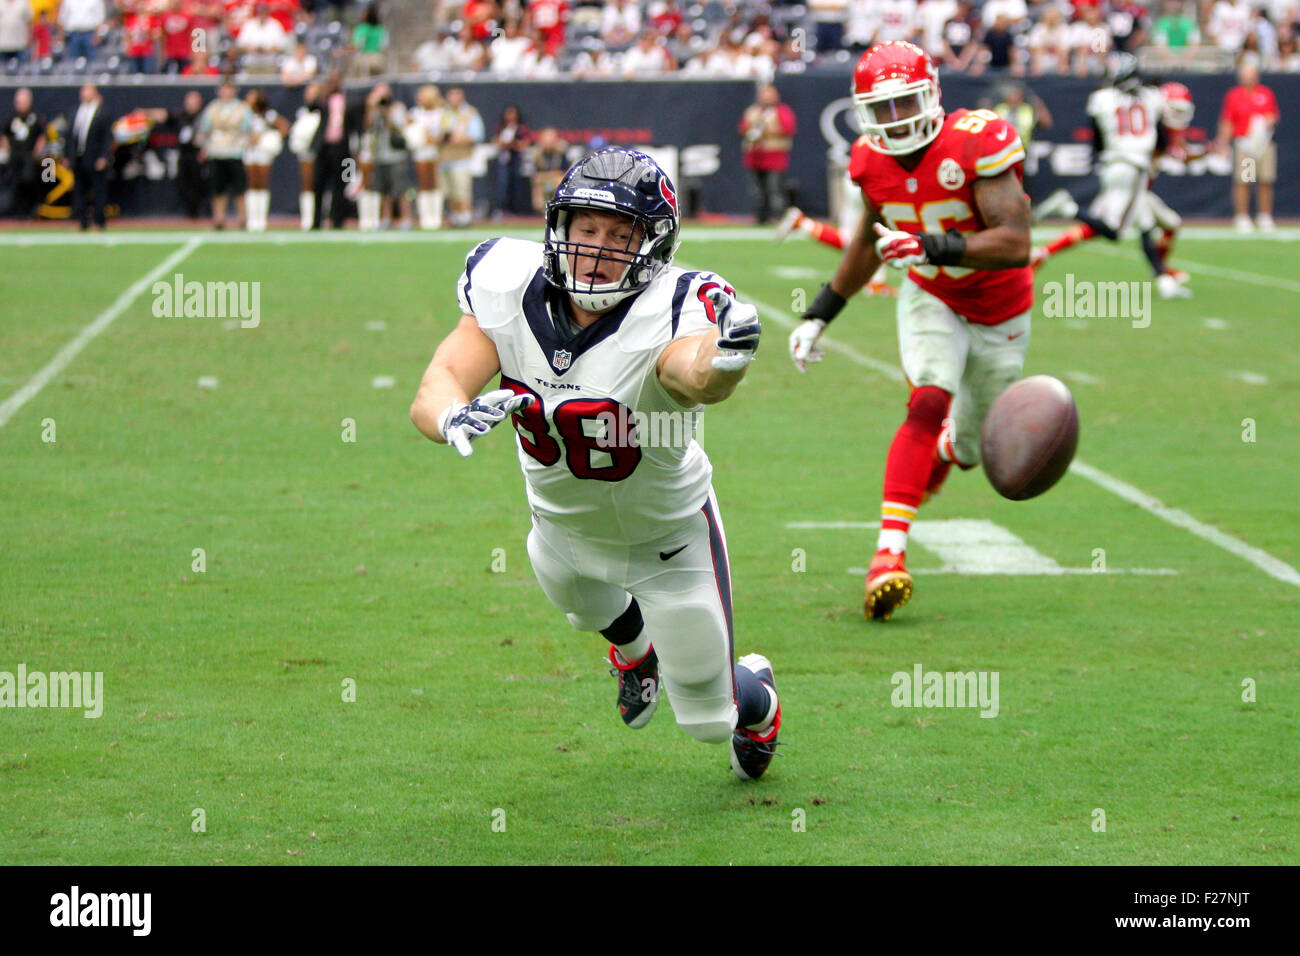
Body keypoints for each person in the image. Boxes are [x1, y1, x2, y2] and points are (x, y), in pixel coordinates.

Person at [408, 147, 782, 779]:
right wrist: (449, 415)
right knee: (583, 606)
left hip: (668, 540)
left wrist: (726, 359)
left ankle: (757, 697)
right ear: (560, 228)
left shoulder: (671, 306)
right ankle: (636, 656)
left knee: (708, 721)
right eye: (587, 229)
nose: (599, 248)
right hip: (559, 530)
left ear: (652, 245)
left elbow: (692, 373)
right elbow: (442, 377)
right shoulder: (507, 285)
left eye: (620, 234)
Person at [787, 41, 1035, 621]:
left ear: (932, 97)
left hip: (1001, 308)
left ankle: (943, 453)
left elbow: (1016, 244)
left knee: (971, 448)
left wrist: (931, 244)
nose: (895, 120)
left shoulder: (977, 139)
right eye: (883, 108)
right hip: (931, 294)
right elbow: (868, 243)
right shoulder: (869, 162)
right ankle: (888, 558)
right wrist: (821, 311)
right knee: (926, 400)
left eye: (905, 104)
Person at [1031, 54, 1191, 299]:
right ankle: (1068, 208)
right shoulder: (1151, 97)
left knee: (1145, 222)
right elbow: (1160, 137)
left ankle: (1163, 279)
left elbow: (1098, 141)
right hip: (1135, 166)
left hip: (1112, 165)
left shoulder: (1101, 99)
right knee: (1115, 231)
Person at [1215, 60, 1279, 232]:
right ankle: (1242, 216)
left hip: (1264, 143)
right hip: (1246, 144)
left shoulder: (1265, 93)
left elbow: (1273, 115)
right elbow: (1227, 121)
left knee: (1265, 180)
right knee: (1245, 180)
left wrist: (1268, 121)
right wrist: (1223, 142)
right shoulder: (1234, 95)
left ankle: (1264, 215)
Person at [141, 90, 207, 220]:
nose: (191, 105)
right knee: (182, 182)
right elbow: (163, 114)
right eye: (189, 102)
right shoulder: (181, 115)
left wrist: (205, 149)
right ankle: (188, 212)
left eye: (193, 102)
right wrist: (145, 112)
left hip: (197, 154)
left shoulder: (204, 117)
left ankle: (197, 212)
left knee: (197, 183)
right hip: (183, 154)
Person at [197, 79, 253, 230]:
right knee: (218, 189)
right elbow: (204, 130)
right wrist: (205, 147)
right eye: (224, 89)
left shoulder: (242, 109)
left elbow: (249, 130)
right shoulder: (213, 108)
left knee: (239, 188)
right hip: (217, 152)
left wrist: (245, 145)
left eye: (229, 89)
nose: (226, 92)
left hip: (235, 152)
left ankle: (243, 219)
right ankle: (219, 219)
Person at [738, 84, 795, 225]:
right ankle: (760, 217)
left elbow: (788, 129)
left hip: (774, 156)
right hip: (754, 157)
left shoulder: (781, 111)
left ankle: (779, 217)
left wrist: (766, 132)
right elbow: (742, 128)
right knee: (758, 191)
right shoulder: (752, 111)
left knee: (775, 189)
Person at [438, 87, 485, 228]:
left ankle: (465, 217)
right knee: (450, 192)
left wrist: (458, 139)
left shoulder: (470, 113)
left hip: (461, 159)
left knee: (462, 191)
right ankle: (455, 217)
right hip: (445, 158)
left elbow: (477, 135)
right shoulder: (444, 113)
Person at [242, 89, 286, 232]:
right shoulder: (245, 114)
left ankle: (261, 219)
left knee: (262, 182)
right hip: (249, 151)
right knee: (251, 183)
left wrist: (269, 138)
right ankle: (251, 218)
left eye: (252, 97)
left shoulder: (268, 114)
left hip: (263, 152)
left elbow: (284, 126)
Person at [70, 84, 112, 230]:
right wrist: (68, 155)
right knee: (79, 190)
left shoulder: (102, 112)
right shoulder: (76, 111)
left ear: (94, 93)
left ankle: (99, 222)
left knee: (98, 190)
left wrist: (104, 157)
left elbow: (107, 137)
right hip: (78, 157)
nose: (83, 93)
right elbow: (72, 135)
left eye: (87, 90)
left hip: (95, 157)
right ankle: (82, 222)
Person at [3, 88, 45, 220]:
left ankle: (30, 210)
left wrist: (37, 152)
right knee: (15, 183)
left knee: (28, 180)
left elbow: (42, 136)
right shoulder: (10, 117)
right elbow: (4, 135)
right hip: (15, 155)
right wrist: (7, 150)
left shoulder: (36, 117)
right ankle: (17, 211)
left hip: (29, 155)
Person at [406, 84, 444, 229]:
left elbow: (444, 131)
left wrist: (434, 138)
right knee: (423, 184)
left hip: (437, 153)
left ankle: (437, 216)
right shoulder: (415, 113)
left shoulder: (440, 113)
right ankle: (425, 217)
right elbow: (407, 131)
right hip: (420, 153)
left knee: (435, 184)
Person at [288, 82, 322, 230]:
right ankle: (307, 218)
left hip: (322, 152)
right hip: (307, 152)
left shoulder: (324, 110)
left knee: (322, 185)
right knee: (307, 184)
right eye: (309, 92)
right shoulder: (302, 112)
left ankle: (322, 216)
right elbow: (296, 134)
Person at [491, 104, 532, 218]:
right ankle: (502, 209)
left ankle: (516, 210)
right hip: (504, 161)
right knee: (502, 185)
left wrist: (511, 144)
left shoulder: (521, 128)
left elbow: (523, 144)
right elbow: (497, 142)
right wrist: (507, 144)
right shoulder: (501, 128)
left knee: (517, 185)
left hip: (517, 160)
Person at [529, 125, 567, 213]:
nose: (549, 140)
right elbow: (536, 174)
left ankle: (558, 206)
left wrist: (549, 175)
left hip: (555, 180)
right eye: (546, 137)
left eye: (551, 137)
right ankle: (541, 210)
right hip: (543, 180)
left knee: (559, 180)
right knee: (537, 182)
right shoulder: (538, 154)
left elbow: (563, 172)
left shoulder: (561, 152)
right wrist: (548, 176)